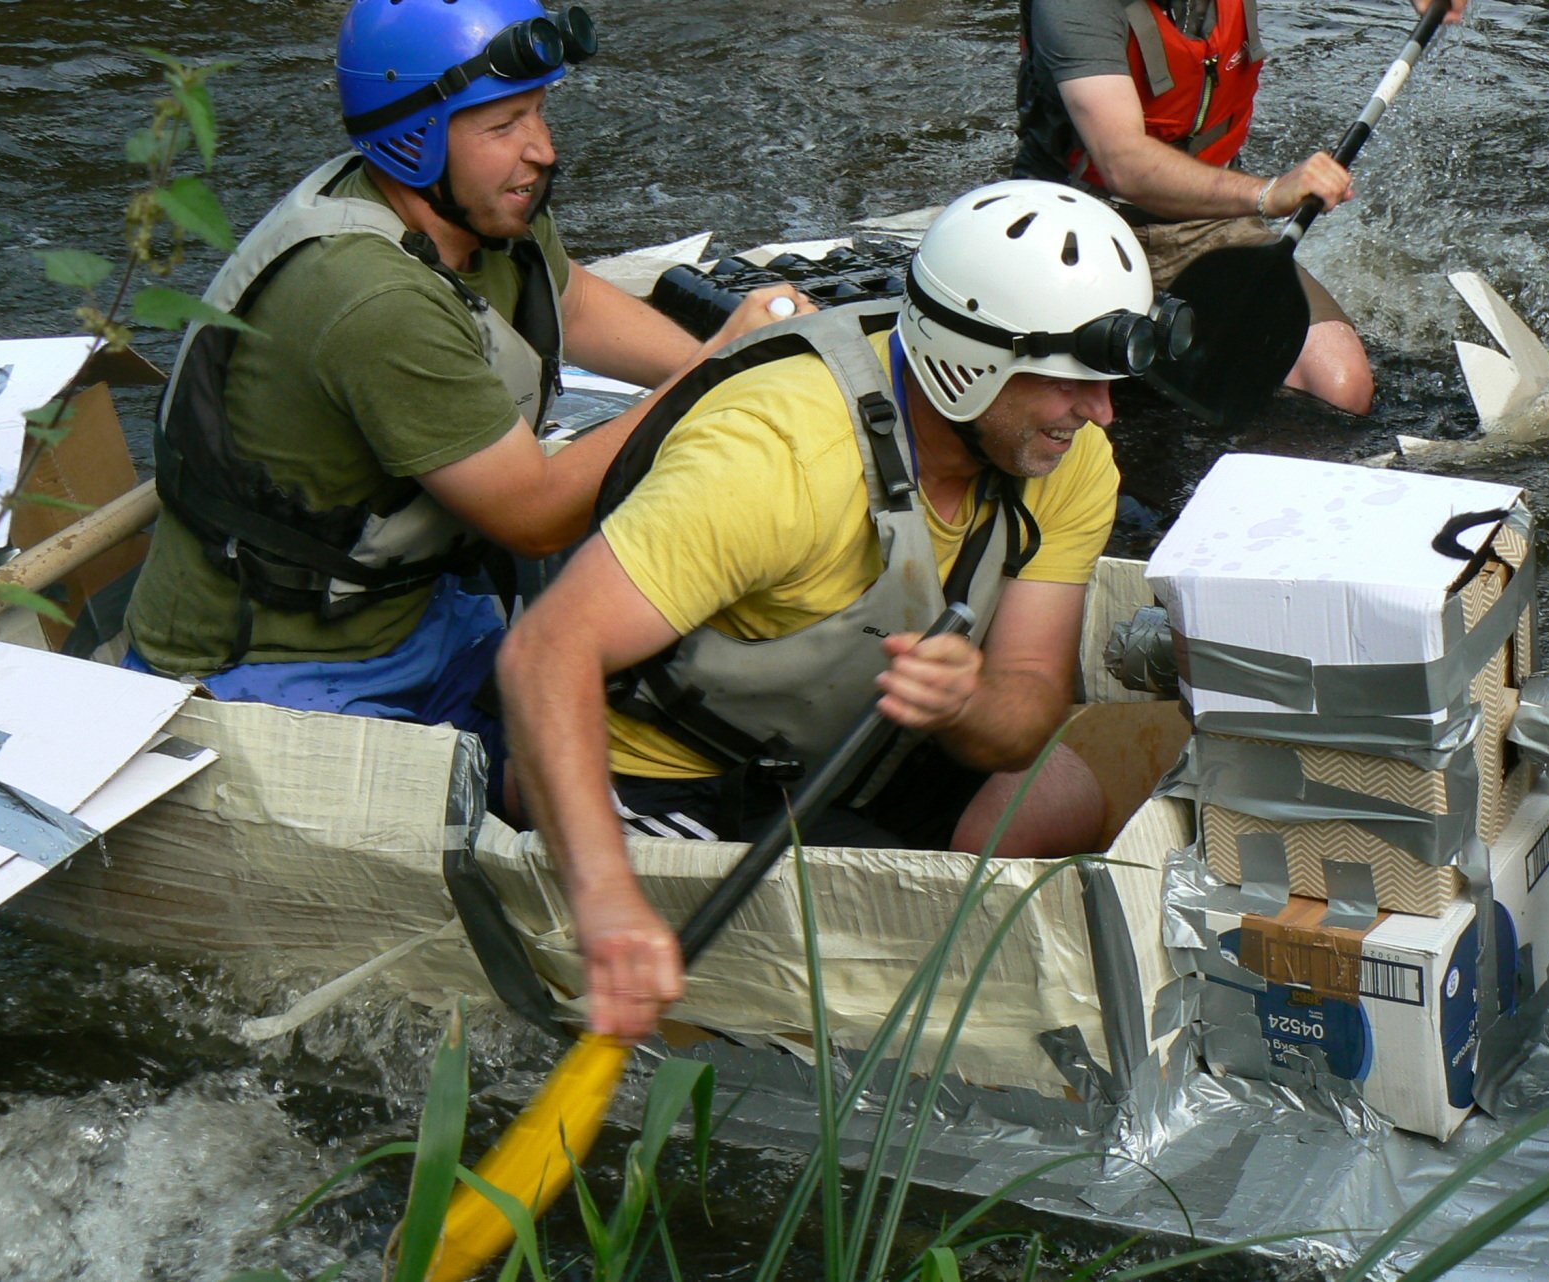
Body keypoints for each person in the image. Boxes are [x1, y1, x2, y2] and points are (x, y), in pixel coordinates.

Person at [497, 179, 1185, 1041]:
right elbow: (542, 653)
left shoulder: (1071, 459)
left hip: (854, 747)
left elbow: (1031, 697)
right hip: (662, 772)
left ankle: (941, 936)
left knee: (1066, 791)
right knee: (873, 937)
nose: (1100, 413)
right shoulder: (775, 454)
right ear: (972, 366)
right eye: (1068, 384)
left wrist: (968, 704)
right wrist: (605, 903)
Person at [121, 0, 800, 808]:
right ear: (414, 139)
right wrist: (716, 373)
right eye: (505, 124)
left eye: (541, 113)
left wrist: (721, 361)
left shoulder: (475, 209)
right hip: (276, 668)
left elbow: (568, 301)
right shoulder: (373, 298)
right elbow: (537, 517)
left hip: (424, 615)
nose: (541, 150)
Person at [1013, 0, 1466, 415]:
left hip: (1209, 224)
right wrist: (1268, 193)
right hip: (1085, 227)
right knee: (1069, 409)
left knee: (1340, 388)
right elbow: (1122, 162)